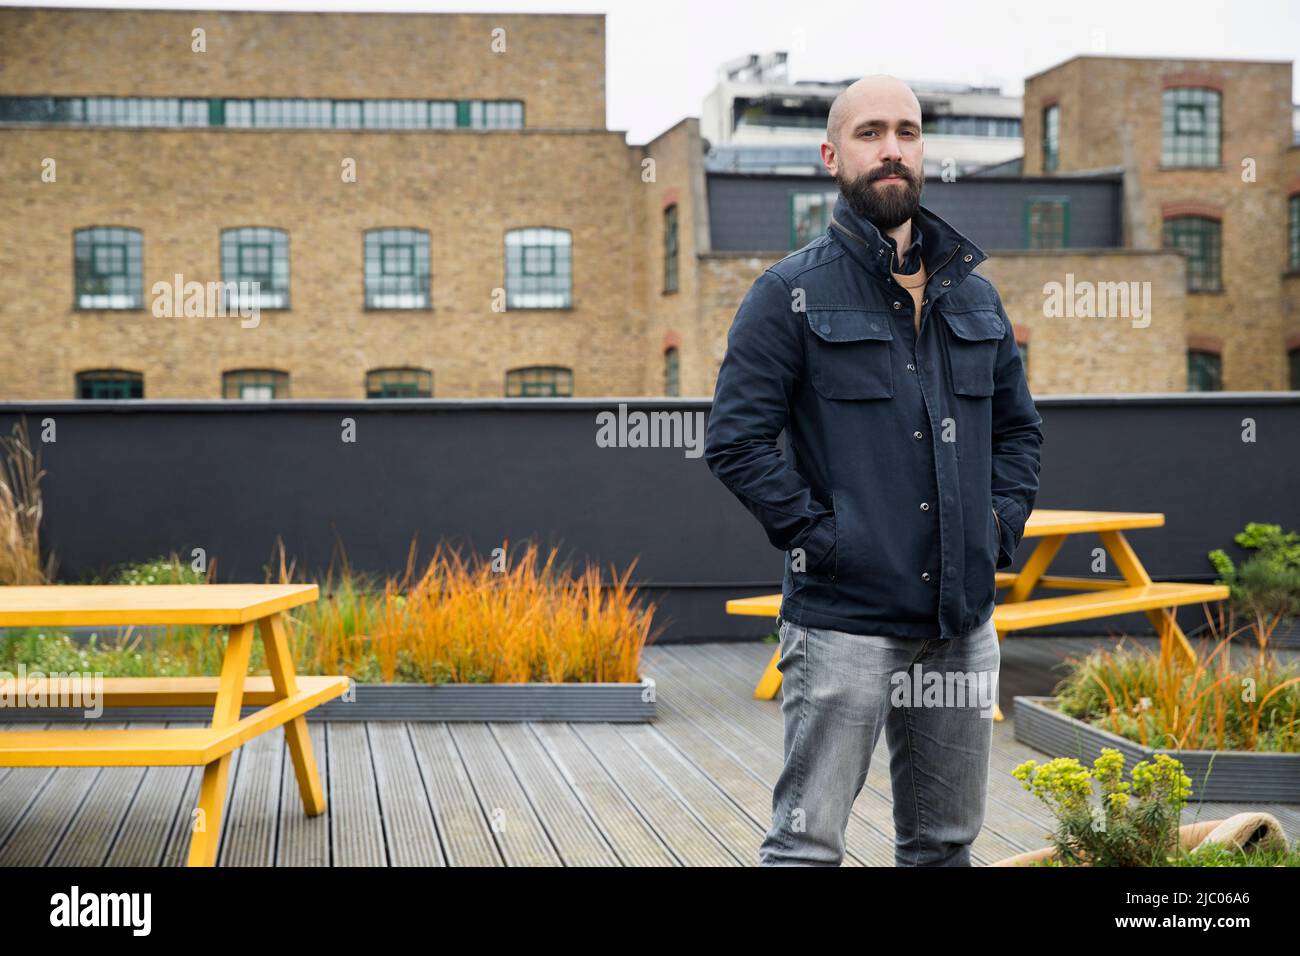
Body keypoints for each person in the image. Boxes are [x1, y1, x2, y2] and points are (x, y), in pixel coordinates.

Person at [703, 74, 1044, 866]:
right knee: (807, 845)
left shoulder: (977, 301)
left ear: (924, 151)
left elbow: (1019, 432)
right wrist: (828, 544)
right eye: (869, 133)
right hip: (841, 624)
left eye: (907, 132)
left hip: (960, 627)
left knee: (945, 847)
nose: (891, 149)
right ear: (831, 154)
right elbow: (735, 439)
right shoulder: (787, 294)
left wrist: (996, 527)